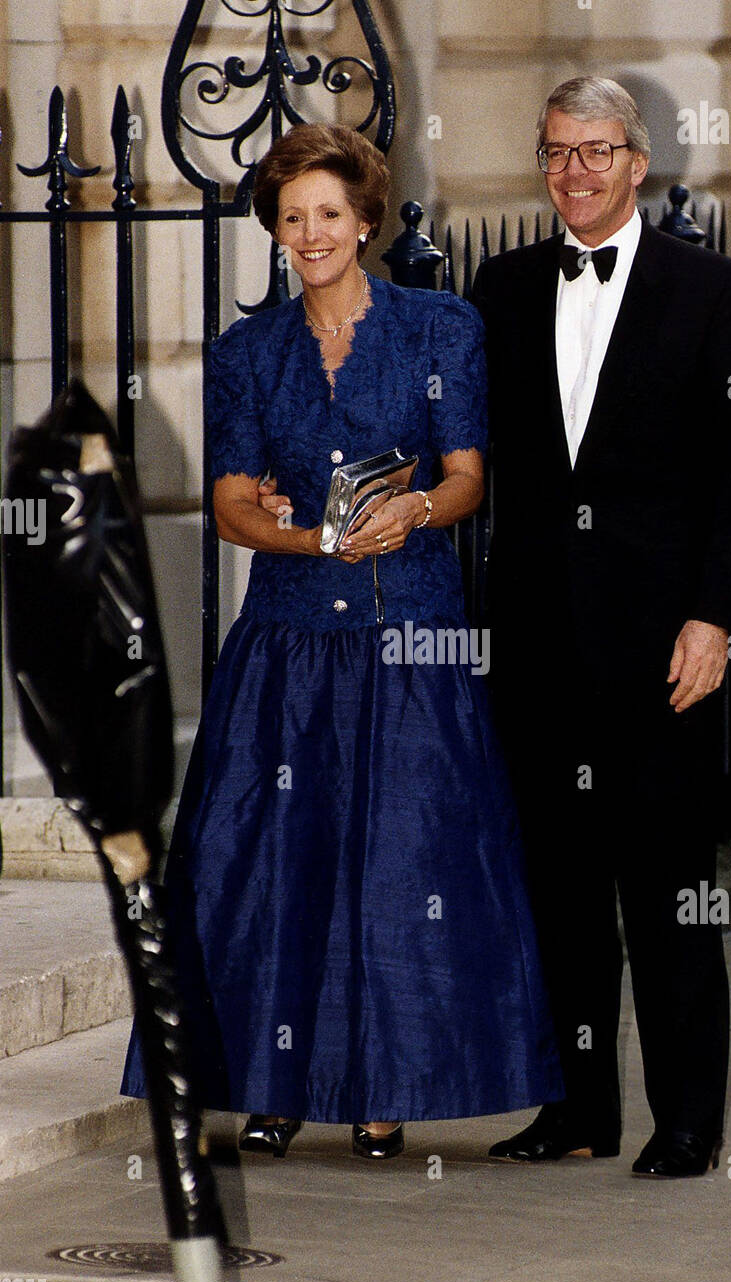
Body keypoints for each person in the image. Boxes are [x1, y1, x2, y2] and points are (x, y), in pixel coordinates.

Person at [120, 123, 563, 1159]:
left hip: (410, 633)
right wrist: (309, 533)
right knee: (280, 861)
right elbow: (231, 504)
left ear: (364, 219)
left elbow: (465, 477)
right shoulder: (246, 353)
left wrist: (411, 514)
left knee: (404, 865)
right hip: (283, 641)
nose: (310, 233)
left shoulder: (438, 328)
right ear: (273, 230)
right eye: (291, 217)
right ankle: (276, 1089)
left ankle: (382, 1090)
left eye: (328, 213)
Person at [470, 78, 731, 1176]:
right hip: (541, 642)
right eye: (556, 152)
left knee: (665, 889)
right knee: (558, 889)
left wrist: (713, 621)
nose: (575, 173)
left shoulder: (711, 289)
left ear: (637, 163)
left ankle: (686, 1119)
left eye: (596, 152)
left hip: (663, 648)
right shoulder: (498, 288)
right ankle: (577, 1109)